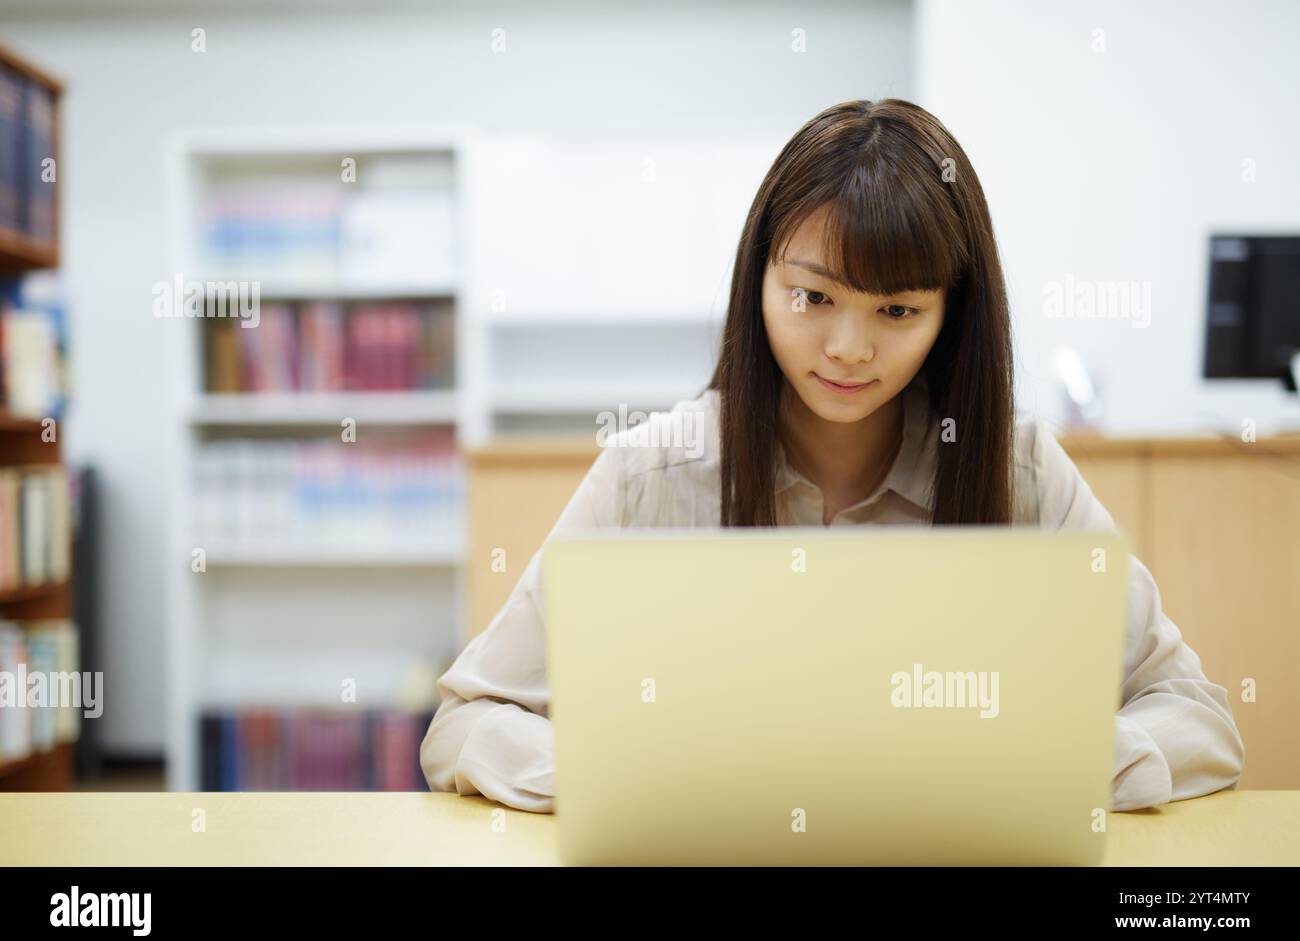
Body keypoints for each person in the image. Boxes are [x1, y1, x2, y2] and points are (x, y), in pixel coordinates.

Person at [420, 98, 1245, 814]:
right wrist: (623, 776)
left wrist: (1043, 764)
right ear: (760, 280)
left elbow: (1196, 716)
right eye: (812, 297)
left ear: (950, 316)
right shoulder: (651, 474)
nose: (849, 348)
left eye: (896, 309)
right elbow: (465, 724)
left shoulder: (1017, 470)